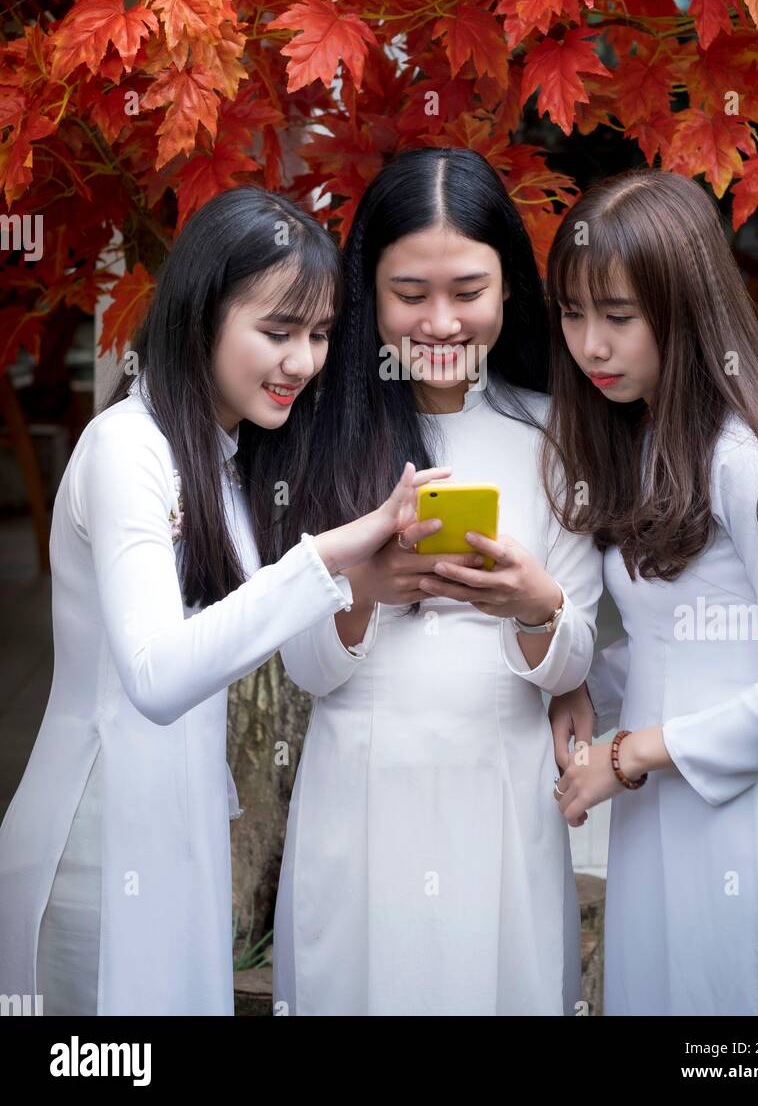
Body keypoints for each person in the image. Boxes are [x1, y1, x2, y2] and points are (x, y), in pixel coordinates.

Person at [0, 186, 449, 1015]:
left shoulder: (229, 460)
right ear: (201, 315)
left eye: (317, 336)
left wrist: (357, 587)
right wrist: (327, 557)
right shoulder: (126, 450)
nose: (303, 363)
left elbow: (277, 652)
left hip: (184, 828)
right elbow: (155, 677)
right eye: (277, 332)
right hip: (99, 837)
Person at [273, 147, 603, 1016]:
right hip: (362, 786)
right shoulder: (319, 435)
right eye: (410, 295)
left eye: (468, 292)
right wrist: (368, 590)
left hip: (499, 786)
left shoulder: (556, 431)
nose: (442, 323)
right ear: (366, 294)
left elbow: (575, 657)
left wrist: (534, 605)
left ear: (509, 290)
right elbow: (304, 667)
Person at [545, 168, 758, 1016]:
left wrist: (631, 753)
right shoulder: (642, 438)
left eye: (618, 318)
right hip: (657, 820)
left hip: (743, 821)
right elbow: (674, 637)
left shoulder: (743, 459)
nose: (592, 347)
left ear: (687, 311)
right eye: (574, 315)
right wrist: (574, 686)